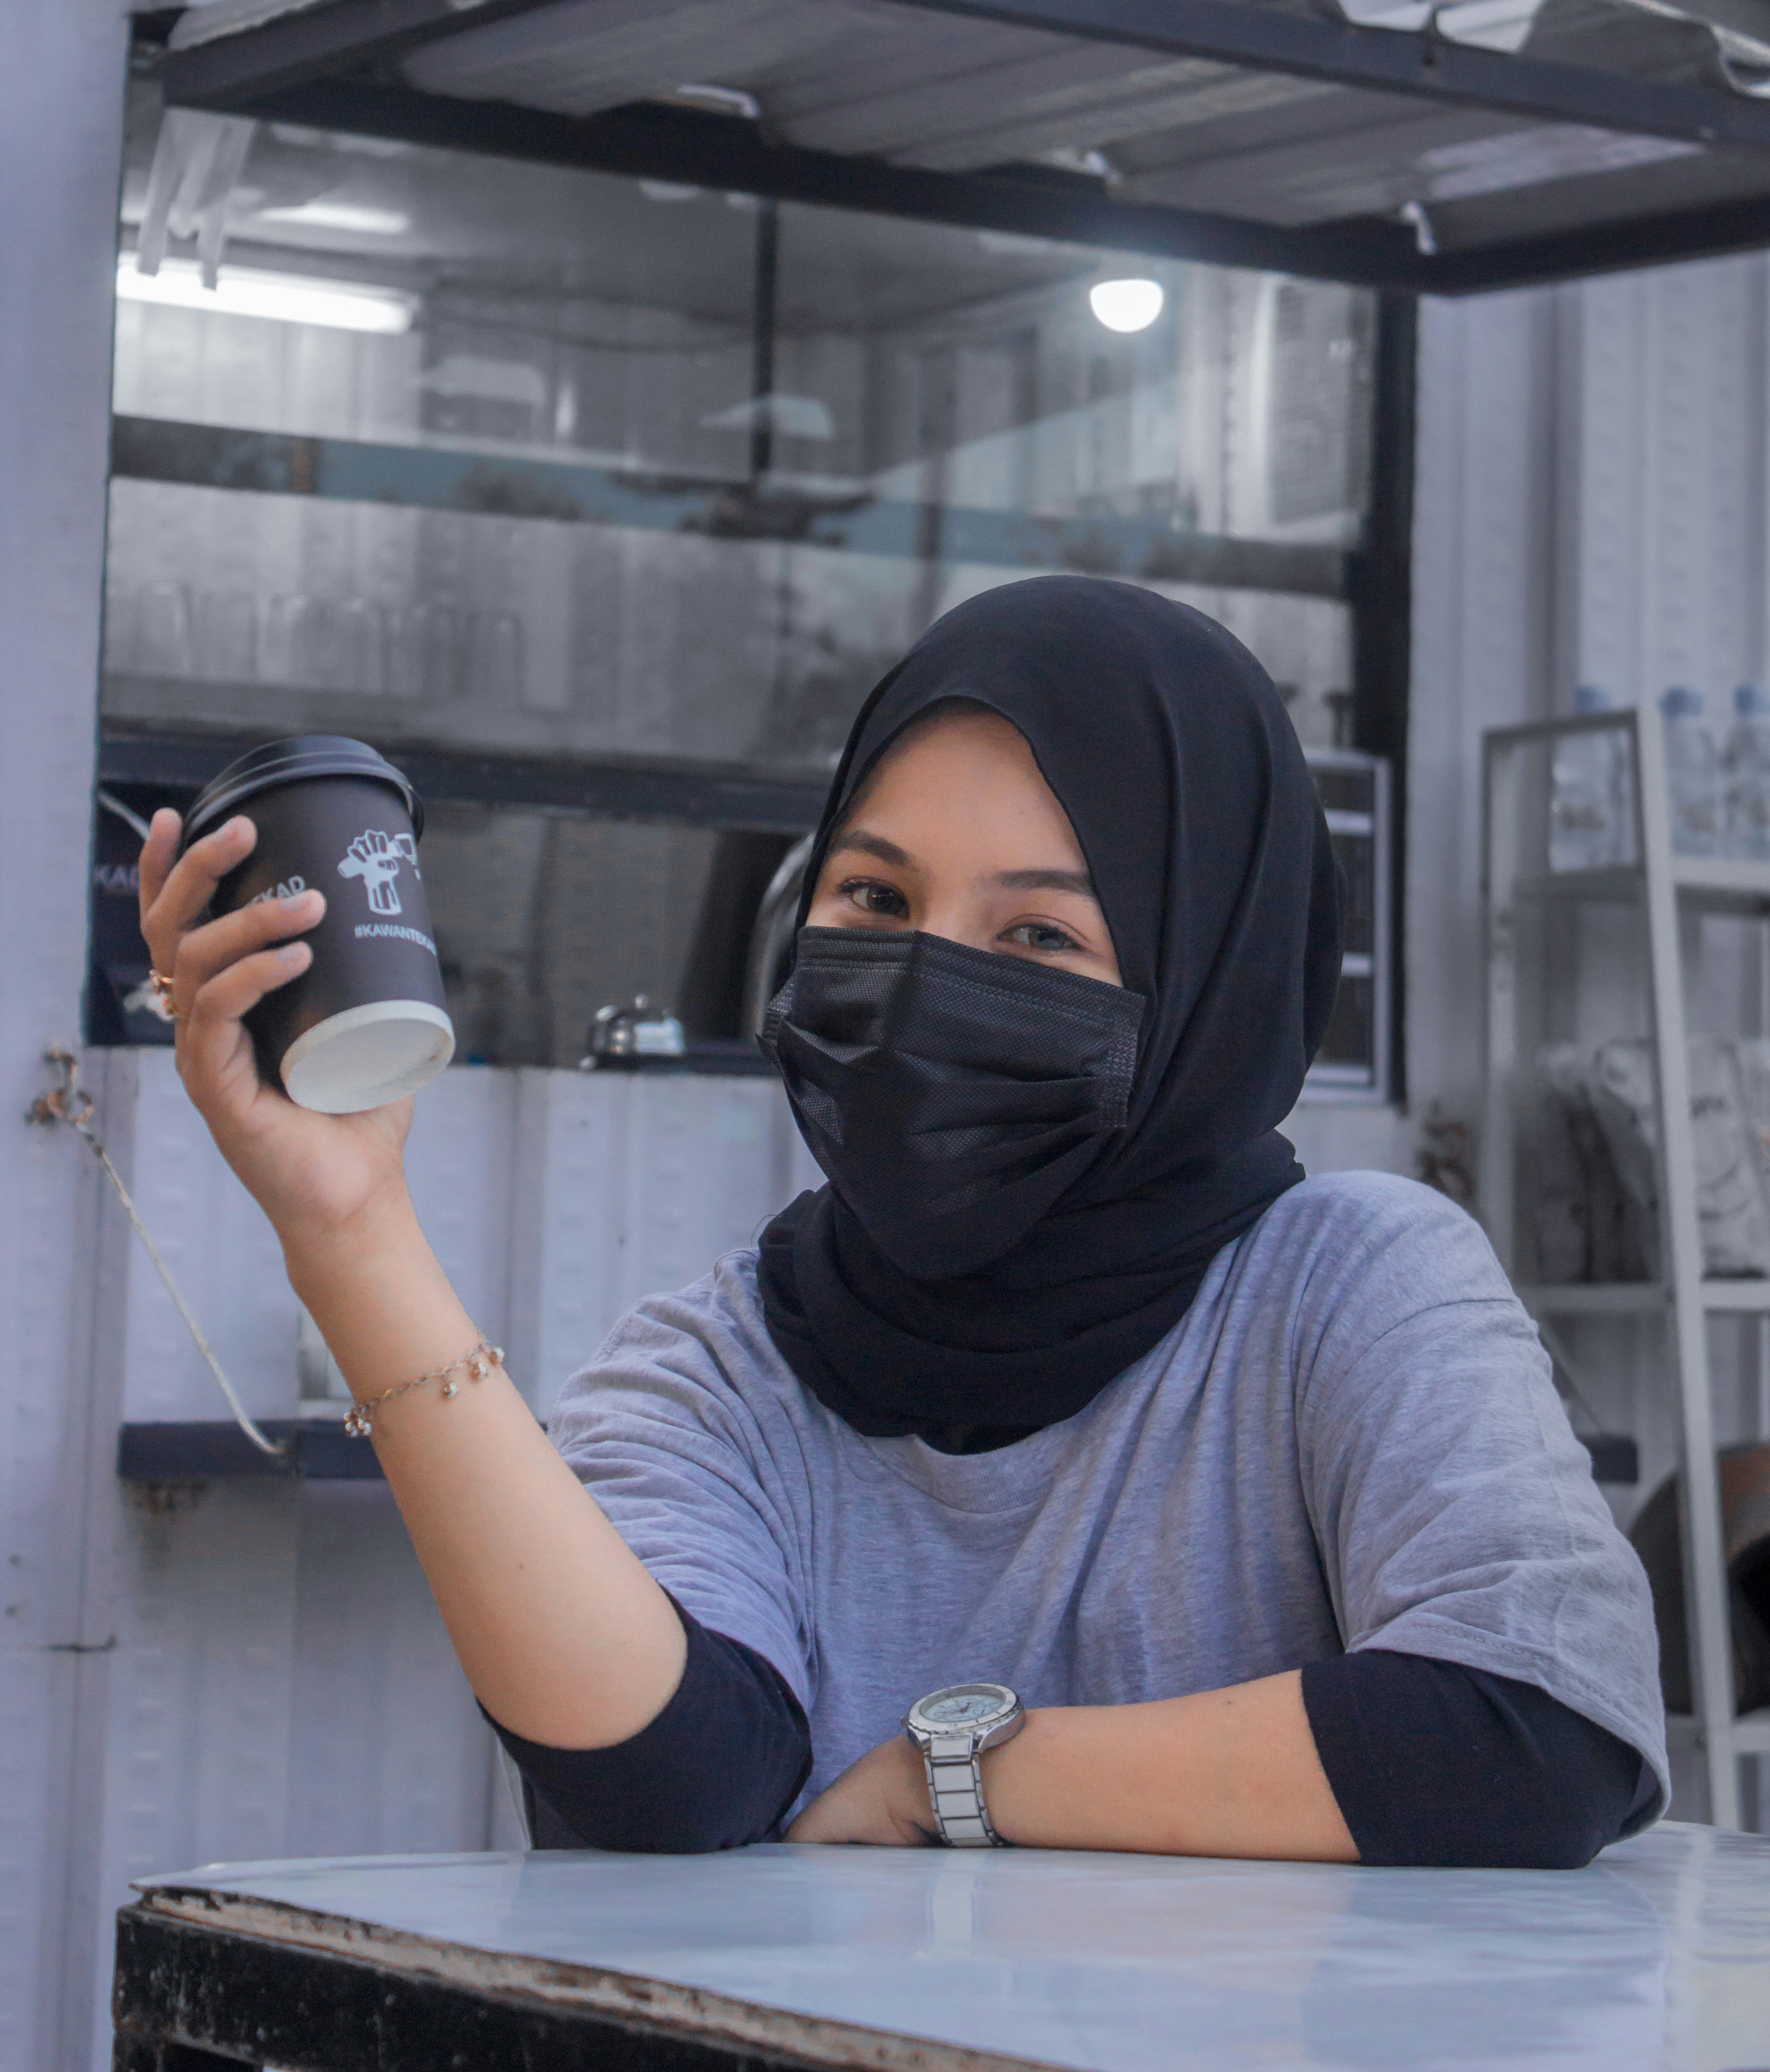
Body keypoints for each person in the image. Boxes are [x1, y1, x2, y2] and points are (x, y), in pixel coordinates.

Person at [139, 578, 1667, 1864]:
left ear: (1214, 975)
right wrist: (349, 1226)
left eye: (1039, 935)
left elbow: (1536, 1722)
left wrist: (967, 1782)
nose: (930, 978)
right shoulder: (720, 1369)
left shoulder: (1349, 1289)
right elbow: (668, 1782)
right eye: (873, 902)